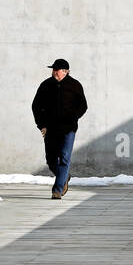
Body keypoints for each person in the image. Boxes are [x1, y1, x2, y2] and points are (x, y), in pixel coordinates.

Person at [31, 58, 88, 200]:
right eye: (53, 69)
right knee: (51, 160)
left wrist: (73, 117)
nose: (54, 72)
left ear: (65, 71)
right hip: (50, 129)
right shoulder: (45, 85)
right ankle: (64, 177)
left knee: (64, 158)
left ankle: (57, 190)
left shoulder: (75, 85)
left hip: (68, 129)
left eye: (57, 70)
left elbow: (83, 106)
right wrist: (42, 125)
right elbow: (36, 106)